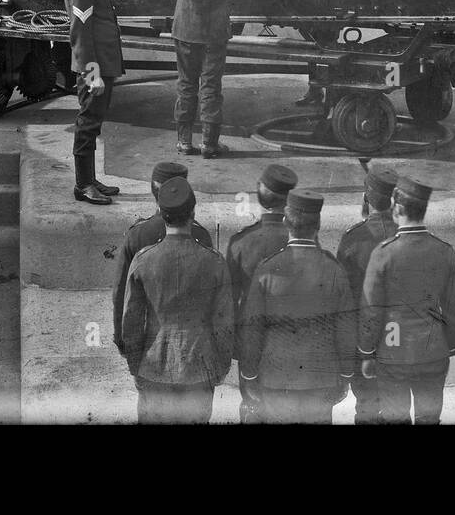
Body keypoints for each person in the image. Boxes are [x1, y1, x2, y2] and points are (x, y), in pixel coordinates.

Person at [238, 190, 357, 424]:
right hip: (321, 379)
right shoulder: (334, 270)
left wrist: (250, 373)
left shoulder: (267, 269)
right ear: (319, 224)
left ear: (285, 222)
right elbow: (346, 329)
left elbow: (252, 328)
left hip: (275, 378)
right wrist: (345, 374)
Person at [121, 176, 234, 422]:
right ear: (193, 214)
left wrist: (135, 366)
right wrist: (221, 368)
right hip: (199, 369)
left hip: (153, 368)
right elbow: (224, 324)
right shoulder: (214, 262)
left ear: (162, 214)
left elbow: (130, 322)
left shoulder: (143, 260)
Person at [357, 177, 455, 425]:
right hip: (433, 350)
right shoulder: (445, 251)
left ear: (396, 208)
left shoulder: (384, 253)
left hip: (392, 351)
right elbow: (454, 309)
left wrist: (367, 352)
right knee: (429, 419)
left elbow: (371, 311)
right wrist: (448, 346)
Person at [111, 162, 214, 357]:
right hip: (193, 349)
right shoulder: (202, 235)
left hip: (150, 350)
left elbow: (121, 293)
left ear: (153, 190)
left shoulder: (137, 234)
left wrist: (121, 340)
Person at [158, 0, 233, 158]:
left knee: (186, 84)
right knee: (211, 86)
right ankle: (210, 145)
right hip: (215, 30)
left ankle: (184, 142)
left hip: (186, 28)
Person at [225, 162, 297, 422]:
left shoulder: (242, 241)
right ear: (288, 199)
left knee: (253, 406)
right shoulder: (298, 238)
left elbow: (229, 302)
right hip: (293, 340)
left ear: (259, 194)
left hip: (251, 342)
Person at [64, 0, 123, 206]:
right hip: (93, 69)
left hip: (102, 65)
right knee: (87, 125)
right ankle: (82, 185)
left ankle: (90, 178)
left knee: (94, 123)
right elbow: (81, 35)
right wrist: (93, 75)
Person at [335, 165, 399, 424]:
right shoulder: (407, 236)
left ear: (365, 198)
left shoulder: (353, 239)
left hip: (365, 344)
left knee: (366, 408)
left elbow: (343, 301)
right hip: (402, 342)